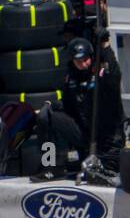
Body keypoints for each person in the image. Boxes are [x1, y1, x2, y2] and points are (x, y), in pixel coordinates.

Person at [33, 35, 125, 175]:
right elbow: (68, 106)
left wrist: (105, 45)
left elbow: (114, 73)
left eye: (86, 60)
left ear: (91, 57)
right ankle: (49, 165)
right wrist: (51, 105)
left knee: (102, 175)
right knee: (45, 115)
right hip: (85, 136)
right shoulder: (71, 79)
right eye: (78, 61)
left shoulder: (103, 75)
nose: (83, 64)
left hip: (110, 141)